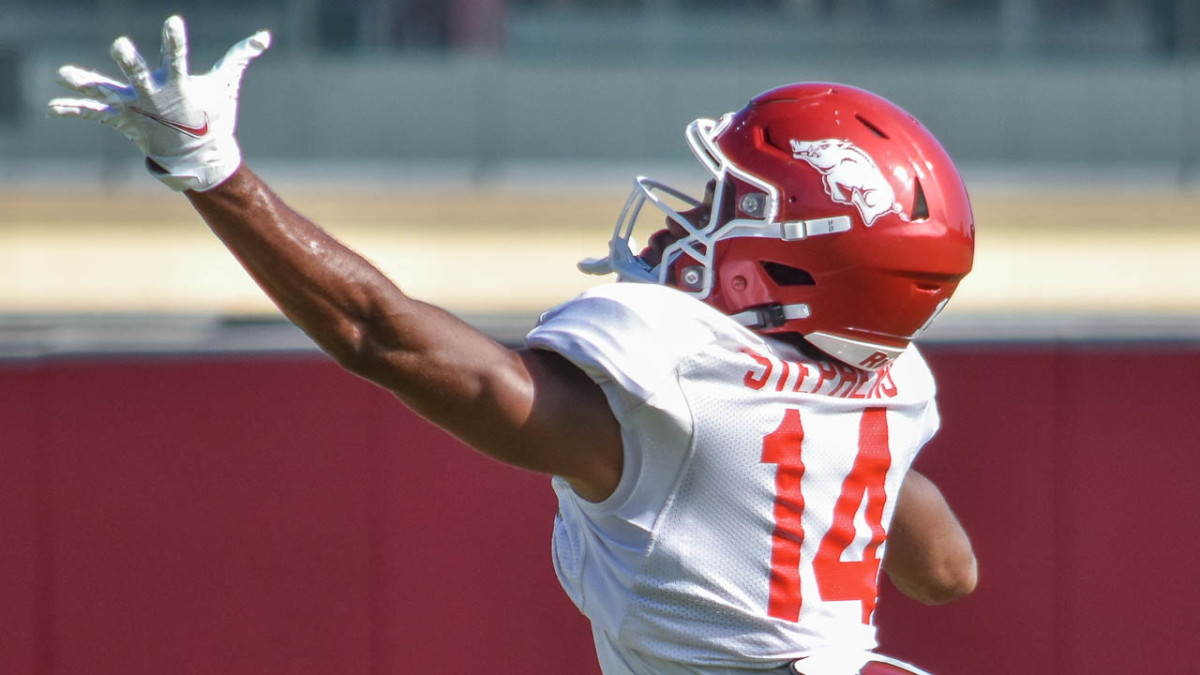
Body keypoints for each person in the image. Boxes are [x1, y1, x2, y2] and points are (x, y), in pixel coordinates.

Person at [48, 16, 977, 675]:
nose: (688, 217)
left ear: (794, 266)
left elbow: (379, 334)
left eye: (725, 203)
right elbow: (946, 572)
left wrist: (217, 175)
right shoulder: (880, 386)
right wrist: (840, 477)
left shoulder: (678, 386)